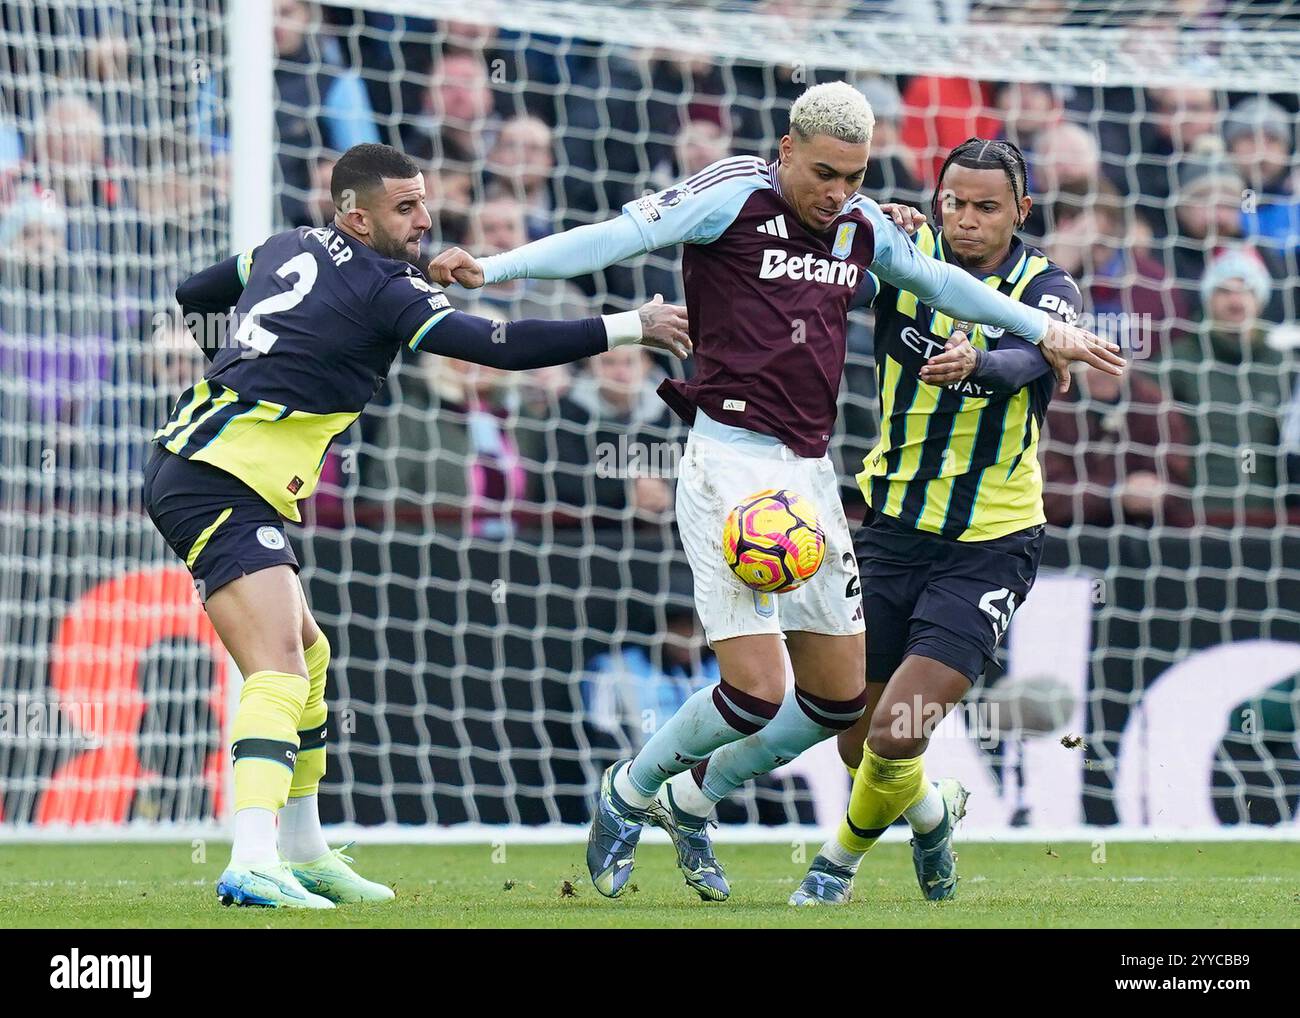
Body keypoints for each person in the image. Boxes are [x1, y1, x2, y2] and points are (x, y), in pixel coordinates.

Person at [430, 83, 1124, 903]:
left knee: (838, 706)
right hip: (725, 464)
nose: (839, 194)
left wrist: (1047, 331)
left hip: (812, 478)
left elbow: (944, 286)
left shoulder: (865, 228)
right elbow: (611, 239)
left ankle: (697, 801)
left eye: (856, 178)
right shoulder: (731, 194)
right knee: (757, 693)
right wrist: (494, 267)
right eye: (826, 174)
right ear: (788, 148)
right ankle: (629, 791)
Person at [143, 142, 690, 908]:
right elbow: (496, 346)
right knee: (278, 669)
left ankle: (301, 850)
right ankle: (251, 856)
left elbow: (197, 288)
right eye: (406, 208)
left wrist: (252, 369)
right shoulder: (384, 292)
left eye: (425, 202)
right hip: (214, 482)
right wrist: (629, 323)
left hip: (217, 468)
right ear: (357, 216)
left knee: (310, 652)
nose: (426, 220)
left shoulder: (285, 244)